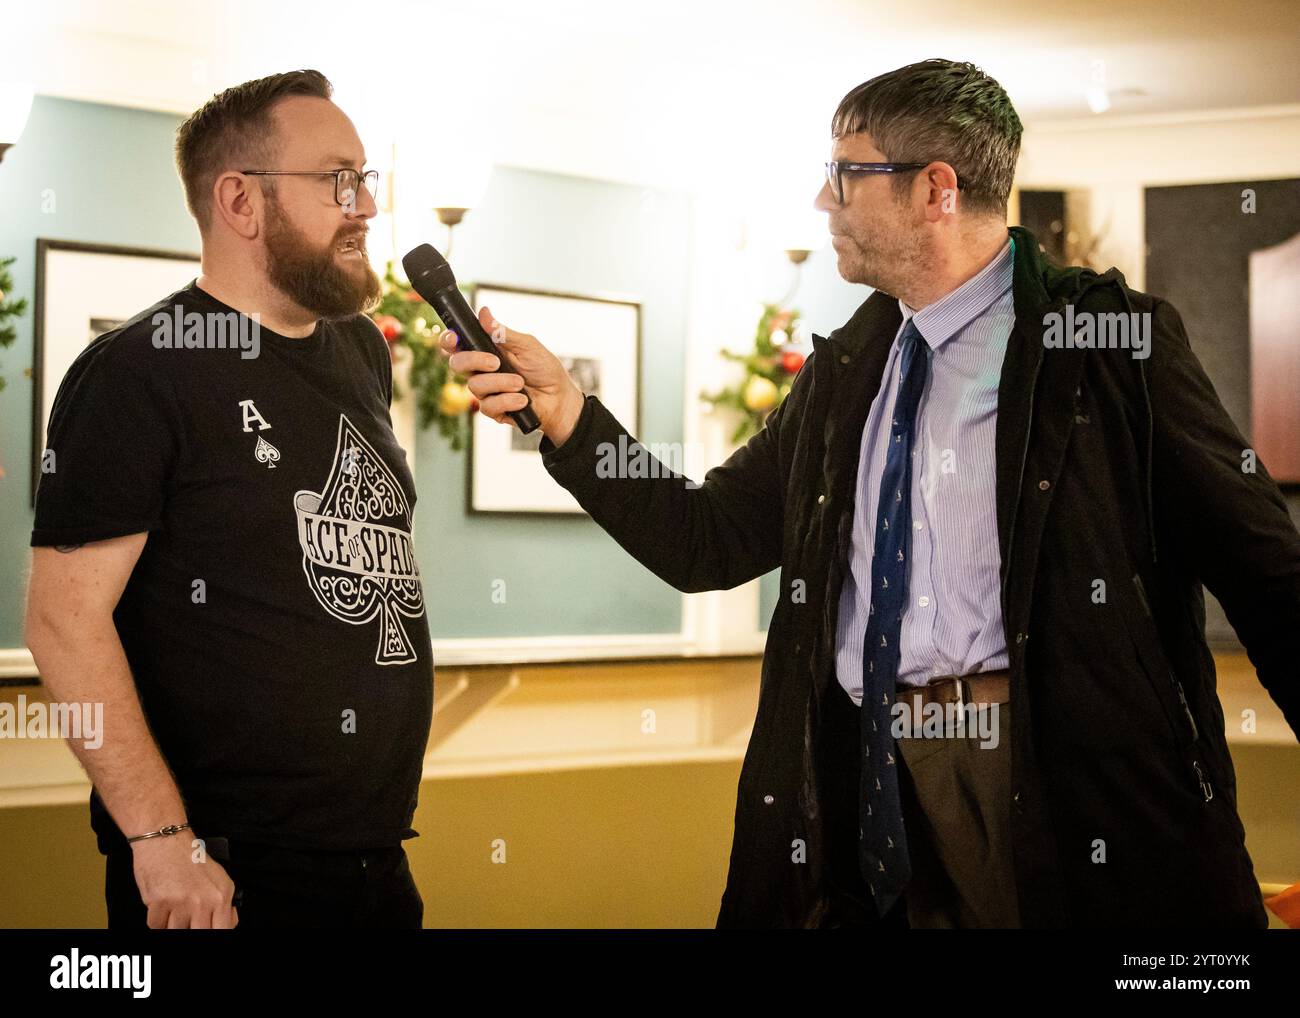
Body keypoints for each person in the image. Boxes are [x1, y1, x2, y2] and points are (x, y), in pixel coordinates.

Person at [444, 58, 1300, 928]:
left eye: (845, 176)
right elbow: (707, 539)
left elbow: (1269, 575)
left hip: (1064, 780)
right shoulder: (847, 371)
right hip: (872, 770)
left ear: (936, 190)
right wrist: (570, 417)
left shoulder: (1109, 345)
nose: (824, 202)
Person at [25, 69, 431, 929]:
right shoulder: (140, 371)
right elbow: (62, 620)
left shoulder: (362, 353)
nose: (364, 206)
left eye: (365, 179)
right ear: (241, 201)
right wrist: (161, 839)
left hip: (371, 857)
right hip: (223, 872)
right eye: (337, 180)